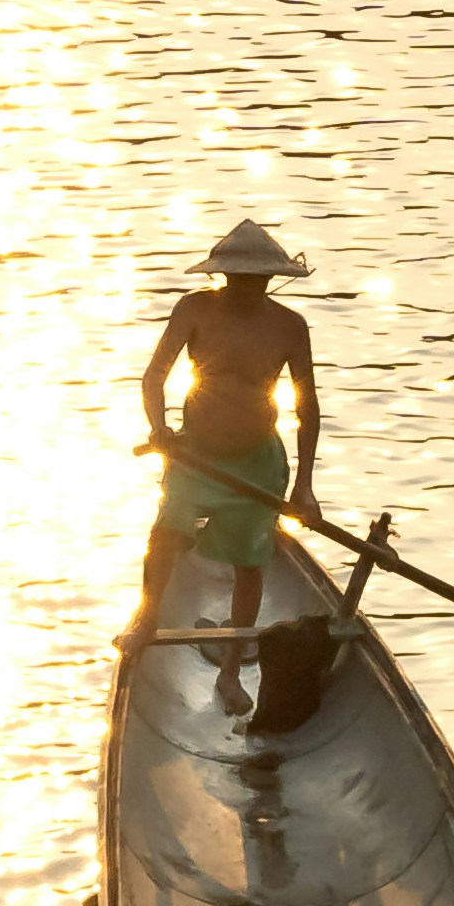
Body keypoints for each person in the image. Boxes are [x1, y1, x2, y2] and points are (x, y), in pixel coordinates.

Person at [137, 219, 324, 639]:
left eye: (255, 280)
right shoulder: (195, 309)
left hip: (256, 460)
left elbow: (307, 407)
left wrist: (305, 485)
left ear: (269, 281)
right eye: (238, 279)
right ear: (223, 276)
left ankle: (232, 665)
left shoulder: (289, 326)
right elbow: (153, 378)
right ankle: (148, 623)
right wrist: (160, 428)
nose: (246, 288)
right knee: (165, 535)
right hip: (195, 453)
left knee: (249, 563)